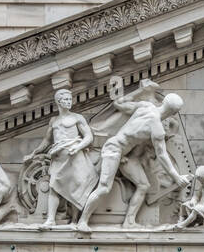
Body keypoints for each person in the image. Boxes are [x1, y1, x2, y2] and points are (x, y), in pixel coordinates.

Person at [77, 79, 190, 230]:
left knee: (143, 185)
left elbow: (119, 103)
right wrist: (176, 177)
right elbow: (162, 155)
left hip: (126, 155)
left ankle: (129, 221)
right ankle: (82, 221)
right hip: (114, 149)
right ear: (173, 112)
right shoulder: (157, 128)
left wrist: (140, 91)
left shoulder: (146, 106)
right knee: (104, 187)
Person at [23, 88, 96, 227]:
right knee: (54, 186)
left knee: (77, 187)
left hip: (74, 156)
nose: (69, 102)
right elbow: (46, 140)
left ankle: (74, 220)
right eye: (66, 100)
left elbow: (89, 136)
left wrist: (78, 147)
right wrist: (33, 153)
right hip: (58, 157)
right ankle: (51, 219)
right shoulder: (54, 120)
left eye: (70, 99)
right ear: (58, 102)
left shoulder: (77, 117)